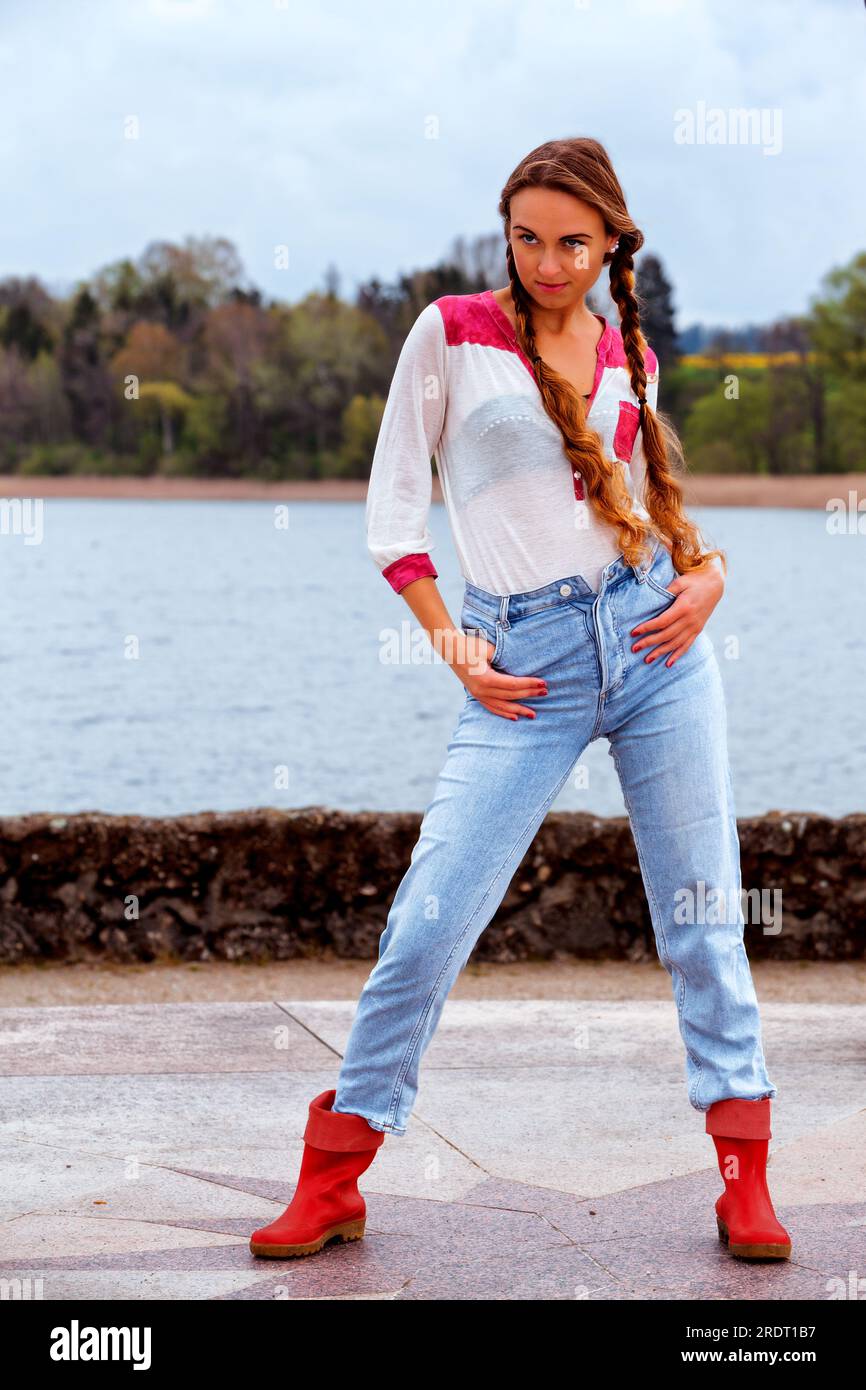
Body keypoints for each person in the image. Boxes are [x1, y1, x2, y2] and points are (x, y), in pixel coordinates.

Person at [249, 137, 791, 1263]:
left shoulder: (630, 351)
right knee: (431, 916)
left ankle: (744, 1183)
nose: (548, 262)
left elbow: (647, 511)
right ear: (506, 234)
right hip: (522, 663)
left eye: (573, 243)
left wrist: (712, 576)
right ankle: (333, 1173)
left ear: (611, 244)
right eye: (528, 238)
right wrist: (454, 646)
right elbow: (393, 516)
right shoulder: (450, 333)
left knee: (703, 916)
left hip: (655, 643)